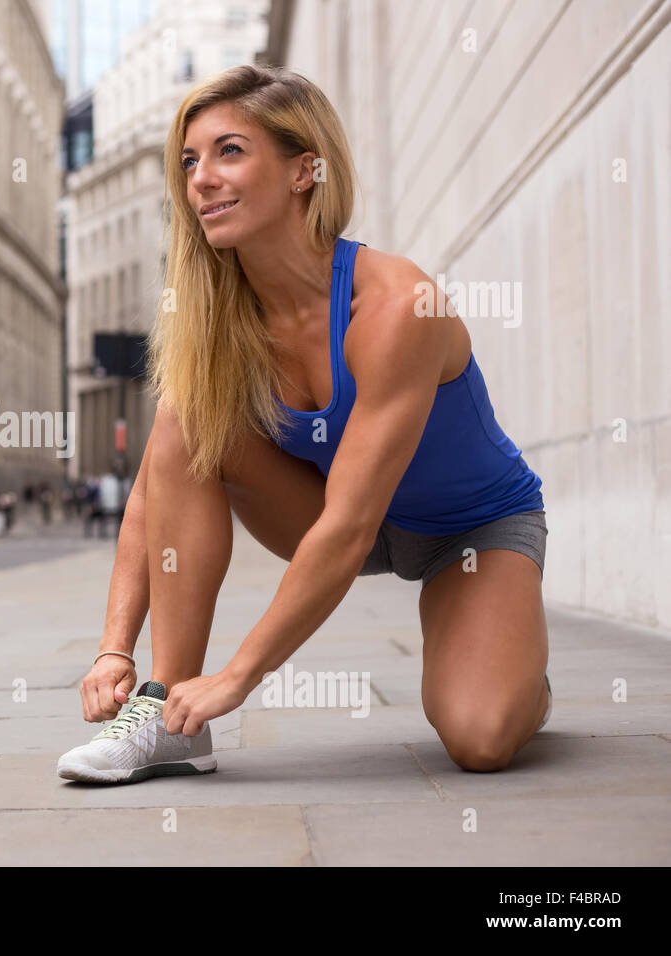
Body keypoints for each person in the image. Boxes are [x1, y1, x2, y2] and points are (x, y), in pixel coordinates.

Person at [57, 64, 550, 785]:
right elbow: (152, 489)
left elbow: (348, 529)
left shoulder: (393, 305)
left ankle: (523, 681)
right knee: (190, 424)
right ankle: (164, 722)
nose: (200, 178)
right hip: (329, 517)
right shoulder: (217, 320)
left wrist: (240, 677)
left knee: (480, 738)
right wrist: (113, 650)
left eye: (230, 151)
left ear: (303, 170)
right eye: (190, 161)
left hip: (468, 530)